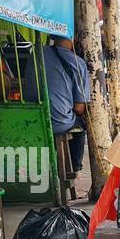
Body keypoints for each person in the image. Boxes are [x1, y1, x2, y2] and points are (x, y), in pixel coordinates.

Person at [42, 35, 91, 181]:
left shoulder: (37, 54)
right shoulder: (78, 63)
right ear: (74, 37)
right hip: (58, 122)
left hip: (33, 119)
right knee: (81, 127)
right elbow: (79, 108)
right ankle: (73, 170)